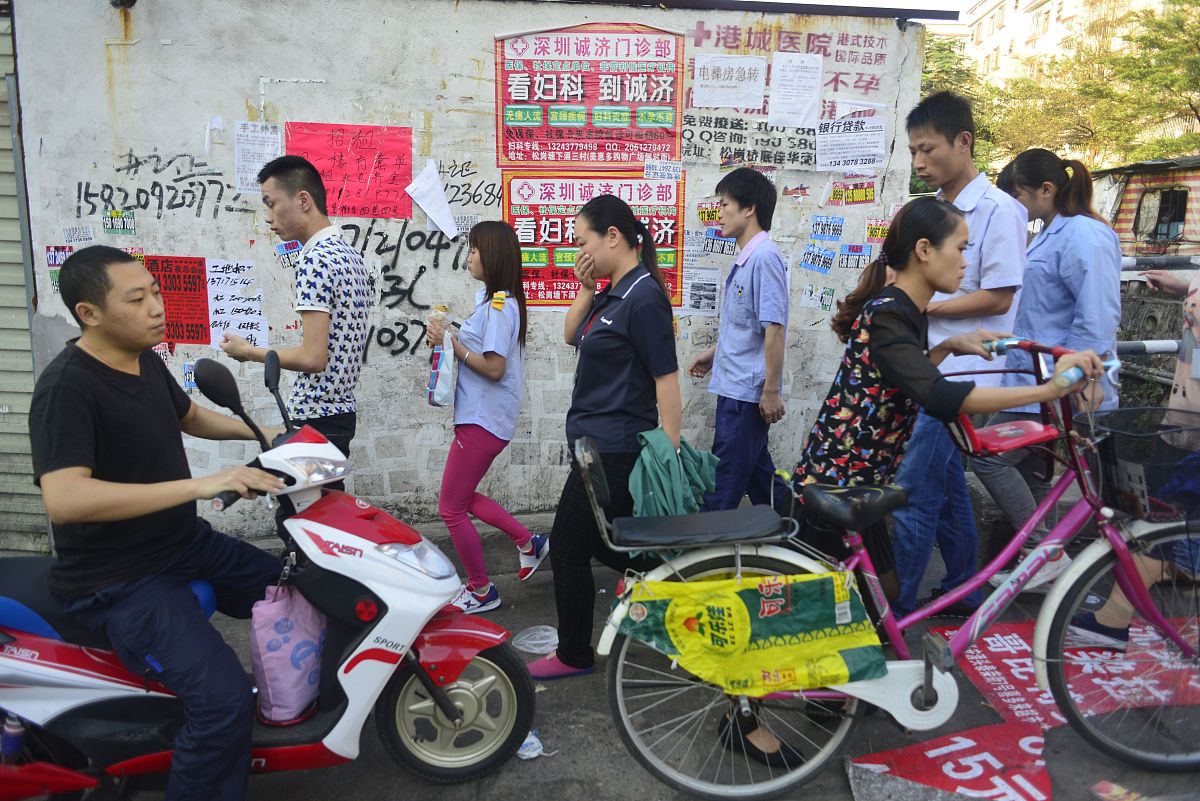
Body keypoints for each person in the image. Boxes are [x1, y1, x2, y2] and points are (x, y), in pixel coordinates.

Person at [741, 198, 1101, 767]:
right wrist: (1046, 392)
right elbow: (938, 396)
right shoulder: (889, 312)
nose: (966, 260)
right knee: (803, 614)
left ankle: (830, 693)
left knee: (879, 595)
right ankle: (742, 715)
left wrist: (948, 346)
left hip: (856, 484)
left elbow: (900, 375)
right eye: (961, 247)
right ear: (925, 251)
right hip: (838, 488)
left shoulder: (906, 313)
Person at [29, 245, 287, 801]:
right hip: (120, 579)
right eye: (137, 298)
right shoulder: (66, 388)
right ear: (88, 313)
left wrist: (264, 436)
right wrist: (204, 485)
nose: (156, 307)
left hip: (183, 544)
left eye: (156, 292)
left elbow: (189, 415)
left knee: (303, 590)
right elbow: (66, 498)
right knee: (222, 702)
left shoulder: (142, 355)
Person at [526, 194, 682, 681]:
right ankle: (675, 595)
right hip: (593, 446)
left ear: (613, 236)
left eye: (582, 242)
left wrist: (668, 452)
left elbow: (667, 380)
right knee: (613, 546)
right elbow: (572, 335)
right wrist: (584, 286)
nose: (578, 250)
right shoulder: (613, 291)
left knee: (568, 547)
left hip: (616, 448)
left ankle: (574, 653)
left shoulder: (645, 296)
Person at [890, 91, 1028, 618]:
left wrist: (920, 305)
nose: (920, 162)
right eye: (913, 152)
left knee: (915, 490)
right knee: (946, 486)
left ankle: (894, 614)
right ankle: (966, 587)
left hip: (963, 376)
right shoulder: (933, 213)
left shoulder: (999, 211)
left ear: (963, 142)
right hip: (930, 368)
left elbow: (999, 295)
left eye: (928, 149)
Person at [975, 149, 1122, 592]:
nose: (1015, 207)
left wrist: (1081, 380)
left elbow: (1096, 316)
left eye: (1019, 196)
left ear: (1046, 190)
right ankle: (1043, 557)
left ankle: (1046, 551)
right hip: (1032, 379)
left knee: (988, 458)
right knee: (1039, 472)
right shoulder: (1048, 233)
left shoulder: (1085, 236)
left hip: (1063, 384)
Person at [424, 221, 547, 614]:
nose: (470, 256)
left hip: (483, 420)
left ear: (492, 255)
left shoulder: (501, 306)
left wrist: (451, 345)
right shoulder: (493, 301)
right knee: (462, 498)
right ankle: (530, 542)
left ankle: (481, 590)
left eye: (475, 249)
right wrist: (450, 336)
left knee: (450, 507)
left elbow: (494, 367)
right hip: (481, 419)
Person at [220, 155, 371, 469]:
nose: (267, 217)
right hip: (338, 414)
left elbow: (313, 358)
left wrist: (248, 351)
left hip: (317, 417)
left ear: (303, 200)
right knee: (318, 513)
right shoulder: (346, 252)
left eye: (271, 204)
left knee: (296, 515)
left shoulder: (315, 259)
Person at [687, 167, 791, 511]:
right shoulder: (747, 259)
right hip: (734, 386)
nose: (719, 211)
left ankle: (700, 558)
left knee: (722, 485)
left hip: (746, 395)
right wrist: (713, 354)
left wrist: (771, 391)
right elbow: (746, 327)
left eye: (725, 203)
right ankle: (805, 536)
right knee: (761, 480)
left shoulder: (765, 258)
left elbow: (774, 329)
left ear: (749, 209)